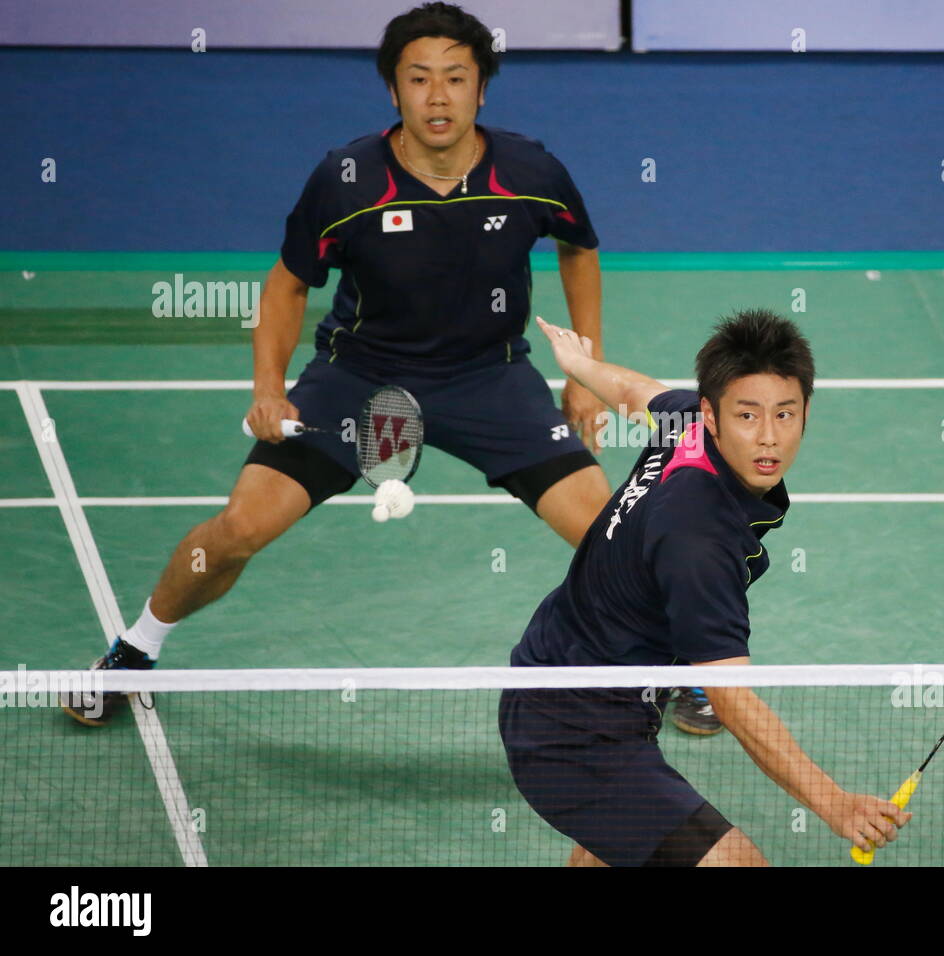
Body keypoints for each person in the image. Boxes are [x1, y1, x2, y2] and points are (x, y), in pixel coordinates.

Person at [64, 3, 611, 726]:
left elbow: (580, 248)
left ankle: (675, 673)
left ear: (483, 90)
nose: (438, 97)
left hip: (492, 378)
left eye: (456, 78)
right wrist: (269, 388)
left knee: (615, 538)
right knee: (238, 530)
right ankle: (134, 651)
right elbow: (288, 283)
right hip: (359, 376)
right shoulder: (347, 179)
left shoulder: (531, 172)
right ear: (393, 90)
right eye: (419, 79)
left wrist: (587, 372)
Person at [498, 311, 912, 866]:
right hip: (574, 734)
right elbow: (732, 701)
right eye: (748, 416)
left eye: (784, 414)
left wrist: (581, 365)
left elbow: (634, 392)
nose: (769, 437)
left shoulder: (686, 423)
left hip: (565, 674)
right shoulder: (698, 540)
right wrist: (833, 803)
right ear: (714, 417)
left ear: (806, 413)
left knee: (609, 846)